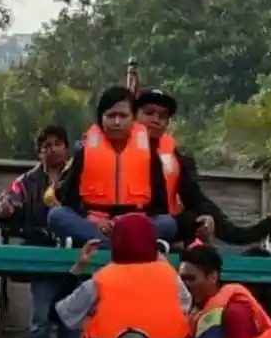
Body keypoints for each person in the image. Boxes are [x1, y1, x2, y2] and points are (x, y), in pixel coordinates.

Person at [50, 213, 195, 338]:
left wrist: (78, 268)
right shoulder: (172, 278)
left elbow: (57, 315)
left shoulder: (100, 281)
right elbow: (186, 308)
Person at [135, 87, 271, 247]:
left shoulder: (171, 153)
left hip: (164, 223)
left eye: (162, 116)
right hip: (126, 224)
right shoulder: (121, 148)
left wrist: (208, 218)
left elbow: (194, 197)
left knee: (195, 220)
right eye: (149, 113)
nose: (156, 120)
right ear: (135, 116)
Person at [0, 125, 79, 338]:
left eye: (56, 144)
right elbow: (8, 199)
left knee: (71, 320)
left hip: (76, 256)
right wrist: (5, 207)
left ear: (66, 147)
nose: (50, 150)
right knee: (40, 320)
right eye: (45, 146)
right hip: (44, 256)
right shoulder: (28, 181)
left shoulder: (79, 175)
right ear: (39, 152)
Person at [49, 87, 179, 246]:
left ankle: (106, 246)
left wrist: (131, 222)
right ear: (101, 118)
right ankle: (118, 247)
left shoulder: (149, 154)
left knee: (167, 223)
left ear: (133, 119)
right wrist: (93, 221)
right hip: (96, 224)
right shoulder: (84, 151)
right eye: (111, 116)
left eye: (123, 116)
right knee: (56, 215)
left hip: (134, 225)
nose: (117, 122)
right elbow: (69, 199)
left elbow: (160, 206)